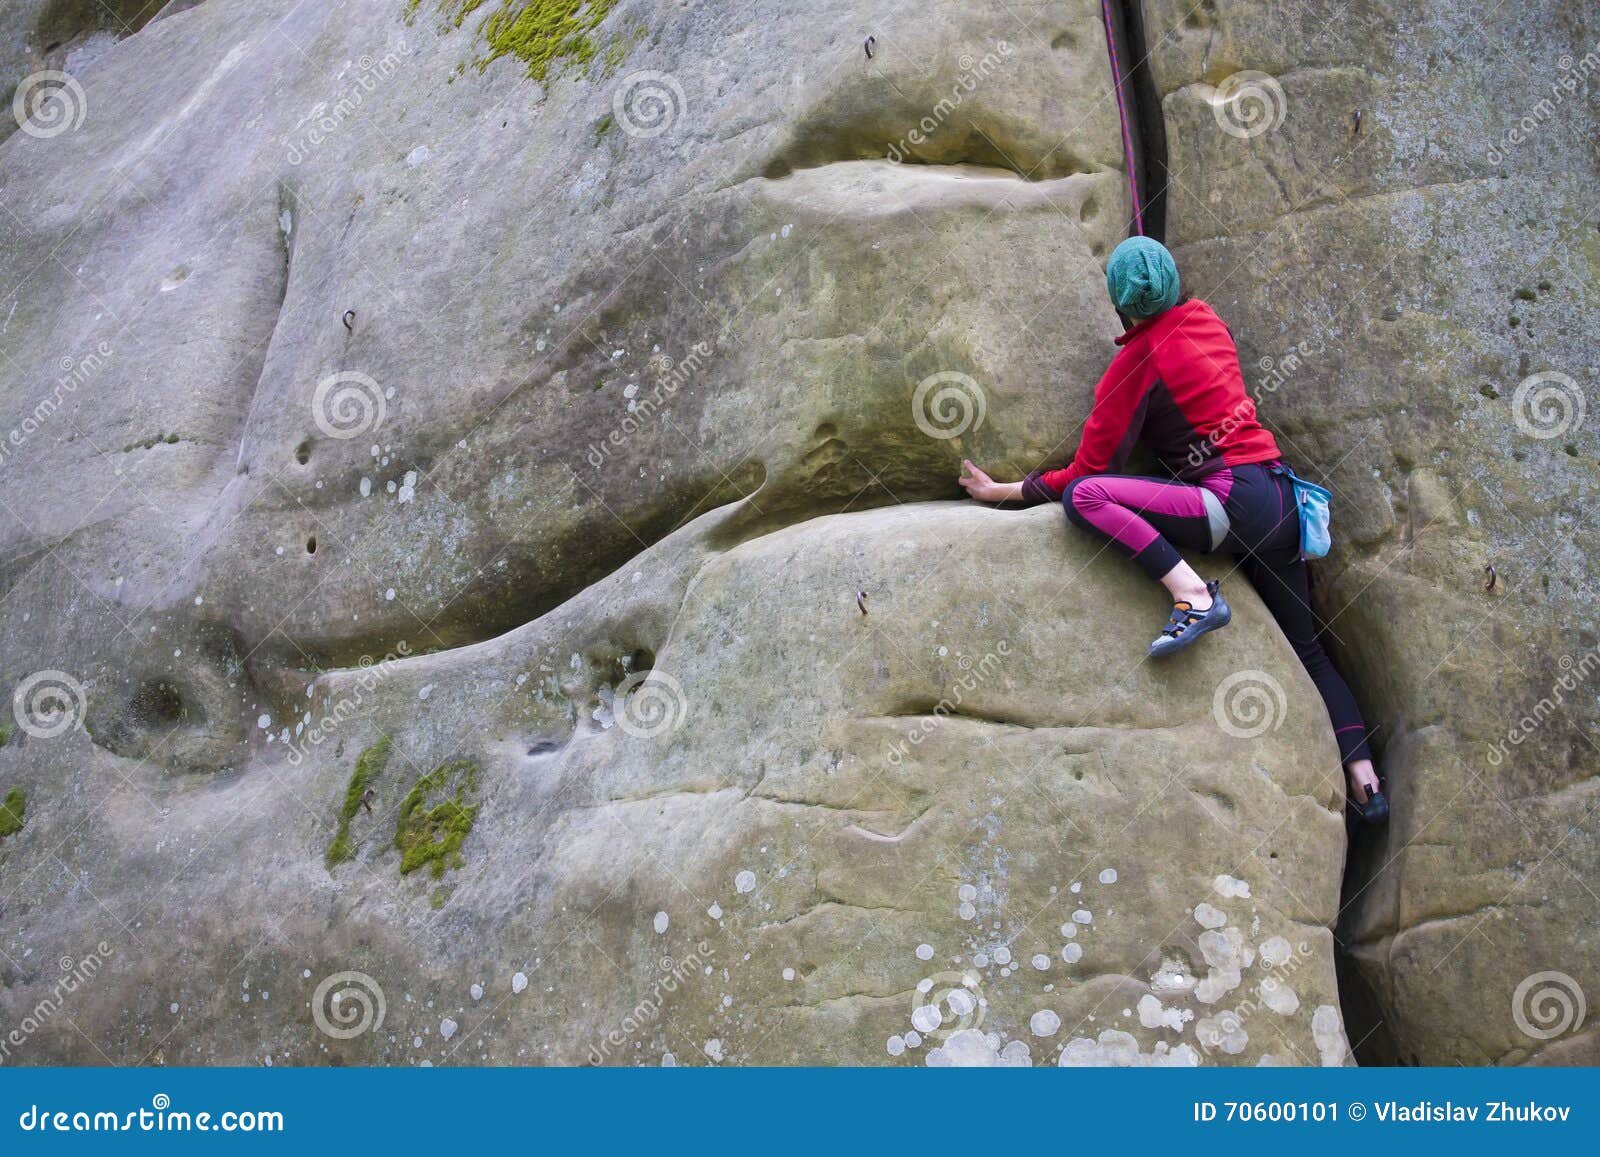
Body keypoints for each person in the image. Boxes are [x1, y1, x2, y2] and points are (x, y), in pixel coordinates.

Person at [958, 236, 1386, 823]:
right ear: (1175, 283)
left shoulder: (1134, 363)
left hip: (1229, 501)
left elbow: (1090, 473)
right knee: (1308, 651)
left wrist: (1004, 491)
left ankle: (1193, 595)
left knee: (1087, 498)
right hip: (1283, 501)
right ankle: (1366, 780)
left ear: (1117, 304)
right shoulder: (1207, 319)